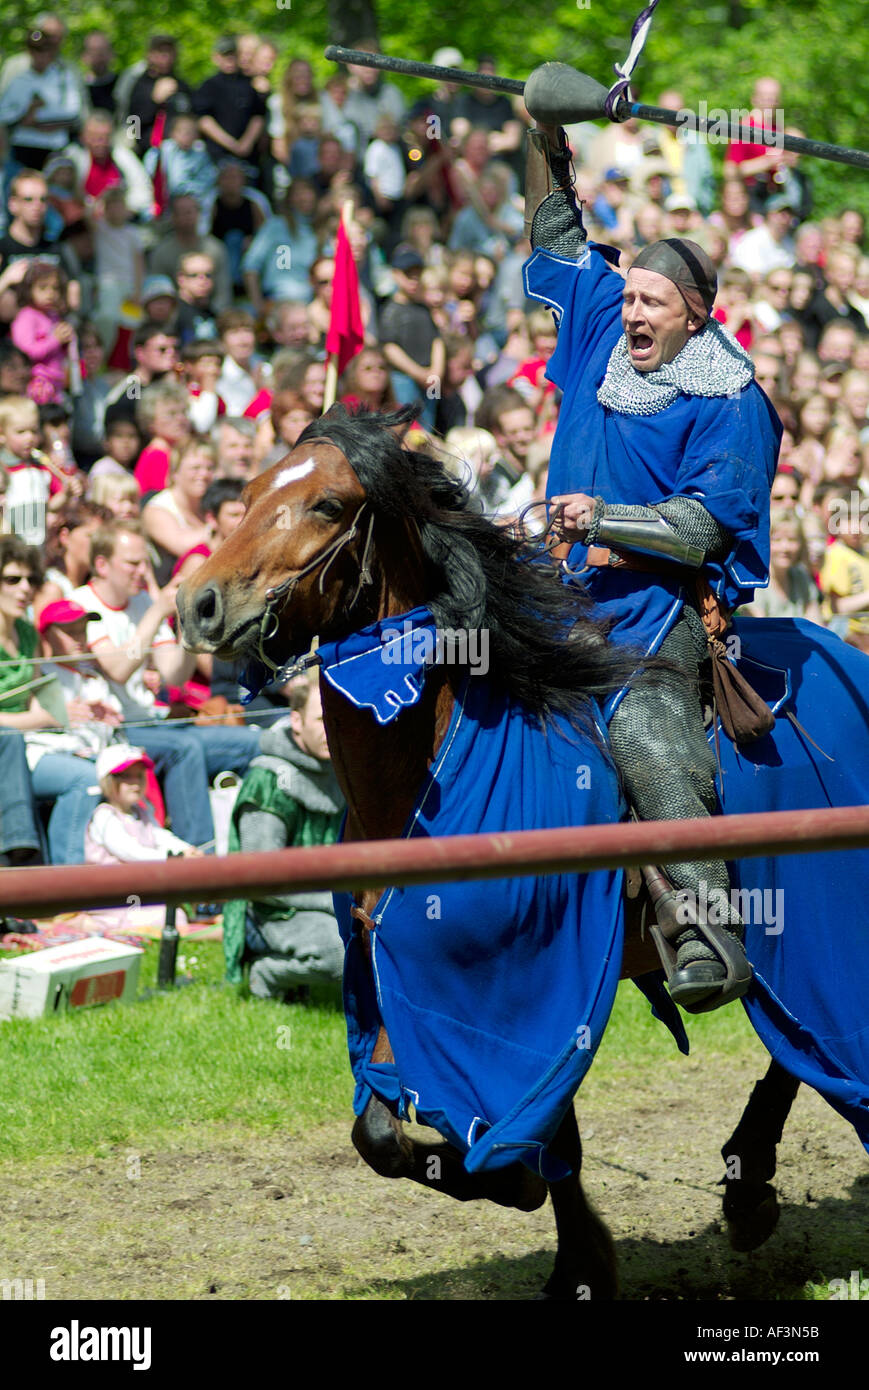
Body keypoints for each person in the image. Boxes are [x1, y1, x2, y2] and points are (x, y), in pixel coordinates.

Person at [522, 111, 781, 1012]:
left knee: (645, 734)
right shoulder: (599, 329)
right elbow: (558, 232)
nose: (629, 311)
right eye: (626, 298)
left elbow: (706, 527)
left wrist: (607, 517)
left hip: (654, 612)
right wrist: (544, 129)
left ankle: (706, 930)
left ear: (693, 316)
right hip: (556, 593)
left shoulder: (730, 396)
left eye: (649, 304)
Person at [72, 518, 260, 847]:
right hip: (116, 730)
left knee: (254, 743)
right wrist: (157, 611)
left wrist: (188, 626)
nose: (142, 571)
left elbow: (175, 675)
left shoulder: (143, 602)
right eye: (132, 563)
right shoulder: (82, 604)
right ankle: (199, 865)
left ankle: (255, 859)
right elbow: (117, 668)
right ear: (101, 564)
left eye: (146, 562)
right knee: (185, 750)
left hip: (154, 724)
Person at [223, 676, 345, 998]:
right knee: (339, 953)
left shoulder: (339, 771)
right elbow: (263, 880)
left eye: (337, 718)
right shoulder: (270, 779)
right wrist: (330, 902)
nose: (330, 729)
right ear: (295, 719)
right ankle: (268, 973)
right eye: (321, 719)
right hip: (272, 912)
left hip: (327, 902)